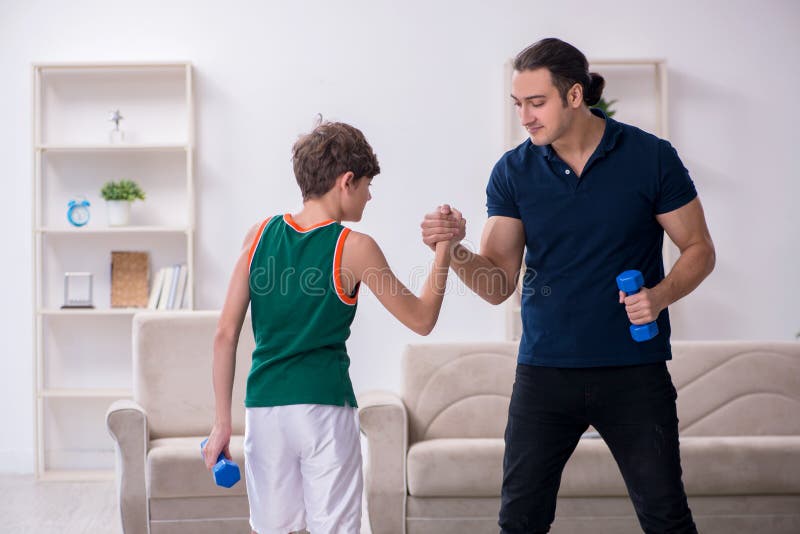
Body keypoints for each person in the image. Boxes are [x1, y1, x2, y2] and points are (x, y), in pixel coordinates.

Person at [422, 38, 715, 534]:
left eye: (537, 103)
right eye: (518, 105)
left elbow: (700, 250)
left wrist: (659, 296)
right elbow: (497, 284)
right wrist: (454, 249)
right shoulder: (513, 172)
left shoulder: (650, 157)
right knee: (520, 522)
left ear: (574, 95)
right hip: (545, 373)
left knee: (666, 518)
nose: (526, 117)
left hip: (634, 372)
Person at [203, 120, 454, 534]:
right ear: (347, 181)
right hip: (323, 410)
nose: (370, 196)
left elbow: (224, 334)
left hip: (264, 411)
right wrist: (444, 249)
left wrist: (220, 424)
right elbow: (422, 318)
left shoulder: (258, 235)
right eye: (368, 185)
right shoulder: (354, 247)